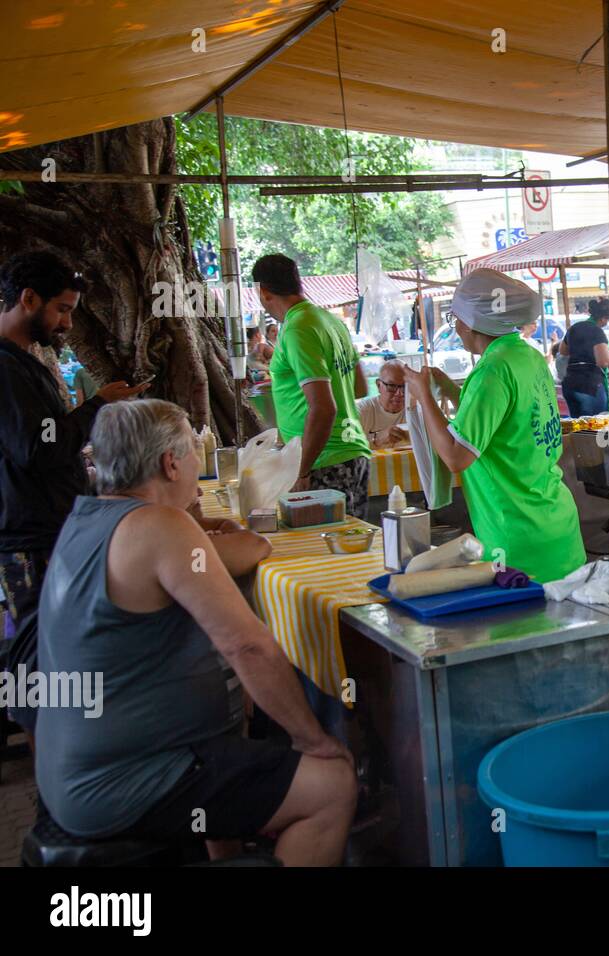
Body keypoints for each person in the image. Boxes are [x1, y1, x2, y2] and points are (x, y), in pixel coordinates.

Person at [36, 400, 355, 864]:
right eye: (192, 450)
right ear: (170, 462)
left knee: (234, 744)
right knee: (332, 785)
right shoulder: (158, 526)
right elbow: (248, 645)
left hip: (74, 774)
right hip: (122, 783)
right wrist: (313, 739)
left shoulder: (87, 518)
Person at [0, 251, 148, 744]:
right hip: (31, 538)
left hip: (51, 529)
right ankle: (61, 779)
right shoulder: (5, 368)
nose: (66, 323)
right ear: (28, 299)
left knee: (65, 654)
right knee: (46, 661)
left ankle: (72, 760)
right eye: (62, 309)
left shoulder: (23, 363)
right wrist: (98, 406)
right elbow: (37, 449)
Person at [401, 269, 585, 584]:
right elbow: (501, 425)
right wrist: (449, 391)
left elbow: (457, 456)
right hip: (557, 528)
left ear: (473, 323)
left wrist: (424, 397)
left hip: (516, 539)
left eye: (456, 319)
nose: (456, 328)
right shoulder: (527, 356)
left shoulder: (492, 371)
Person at [253, 254, 371, 517]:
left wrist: (302, 469)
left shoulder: (298, 328)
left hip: (323, 460)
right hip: (353, 453)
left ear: (263, 292)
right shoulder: (331, 321)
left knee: (322, 550)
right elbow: (359, 387)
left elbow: (324, 408)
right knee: (348, 550)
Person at [559, 297, 609, 416]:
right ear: (603, 319)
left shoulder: (575, 327)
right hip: (589, 385)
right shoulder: (596, 331)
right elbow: (603, 361)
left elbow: (562, 351)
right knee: (594, 428)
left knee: (577, 429)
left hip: (570, 384)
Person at [357, 359, 408, 448]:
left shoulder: (417, 412)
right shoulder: (361, 411)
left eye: (405, 386)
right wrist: (376, 440)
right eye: (392, 386)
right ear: (378, 385)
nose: (400, 393)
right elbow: (345, 448)